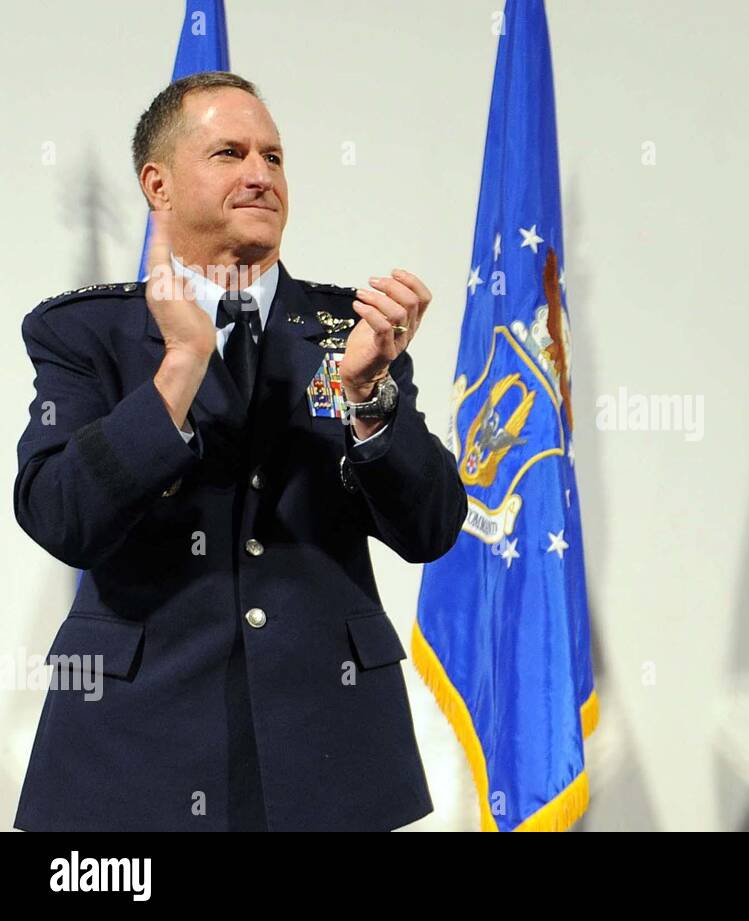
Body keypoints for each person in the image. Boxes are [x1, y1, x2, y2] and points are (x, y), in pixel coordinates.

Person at [13, 71, 468, 831]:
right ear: (156, 183)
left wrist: (368, 397)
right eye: (229, 152)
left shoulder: (348, 332)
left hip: (330, 756)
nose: (261, 175)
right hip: (133, 755)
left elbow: (430, 528)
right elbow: (62, 517)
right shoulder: (83, 335)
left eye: (275, 157)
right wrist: (179, 370)